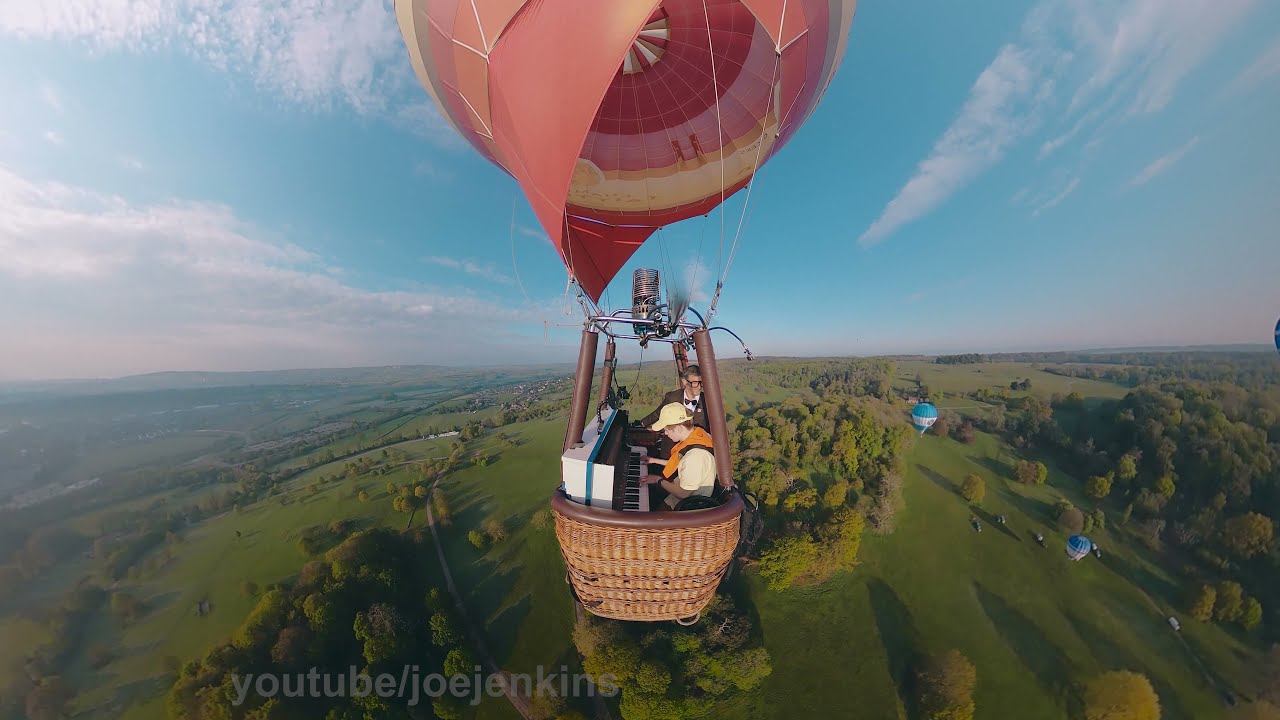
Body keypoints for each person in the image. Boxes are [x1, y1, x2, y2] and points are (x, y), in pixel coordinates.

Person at [638, 403, 716, 510]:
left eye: (667, 429)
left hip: (688, 507)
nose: (665, 433)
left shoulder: (694, 457)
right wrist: (654, 460)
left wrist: (658, 480)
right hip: (681, 495)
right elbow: (681, 463)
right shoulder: (697, 435)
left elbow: (683, 494)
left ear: (679, 428)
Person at [639, 365, 710, 433]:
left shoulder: (707, 401)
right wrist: (642, 424)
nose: (699, 387)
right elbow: (658, 414)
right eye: (695, 383)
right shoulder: (672, 397)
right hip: (673, 443)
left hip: (698, 442)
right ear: (684, 381)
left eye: (701, 383)